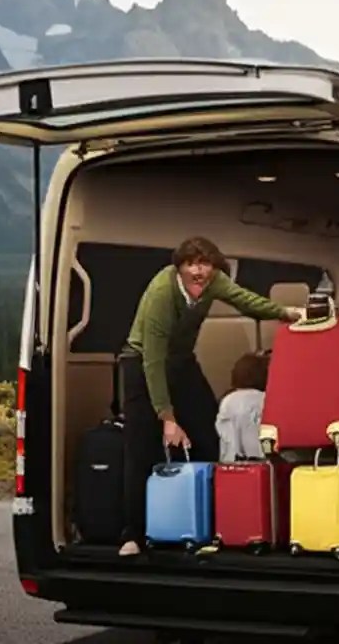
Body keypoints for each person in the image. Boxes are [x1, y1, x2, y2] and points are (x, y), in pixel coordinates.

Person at [117, 236, 300, 556]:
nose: (198, 271)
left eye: (204, 264)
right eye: (190, 264)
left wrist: (285, 313)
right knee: (141, 447)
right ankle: (133, 533)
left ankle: (209, 521)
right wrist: (168, 418)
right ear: (180, 268)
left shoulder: (214, 282)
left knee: (208, 431)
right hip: (143, 362)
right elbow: (153, 361)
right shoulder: (163, 293)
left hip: (182, 361)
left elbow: (245, 300)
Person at [215, 352, 271, 463]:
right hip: (262, 464)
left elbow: (224, 434)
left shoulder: (227, 401)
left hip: (231, 464)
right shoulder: (266, 400)